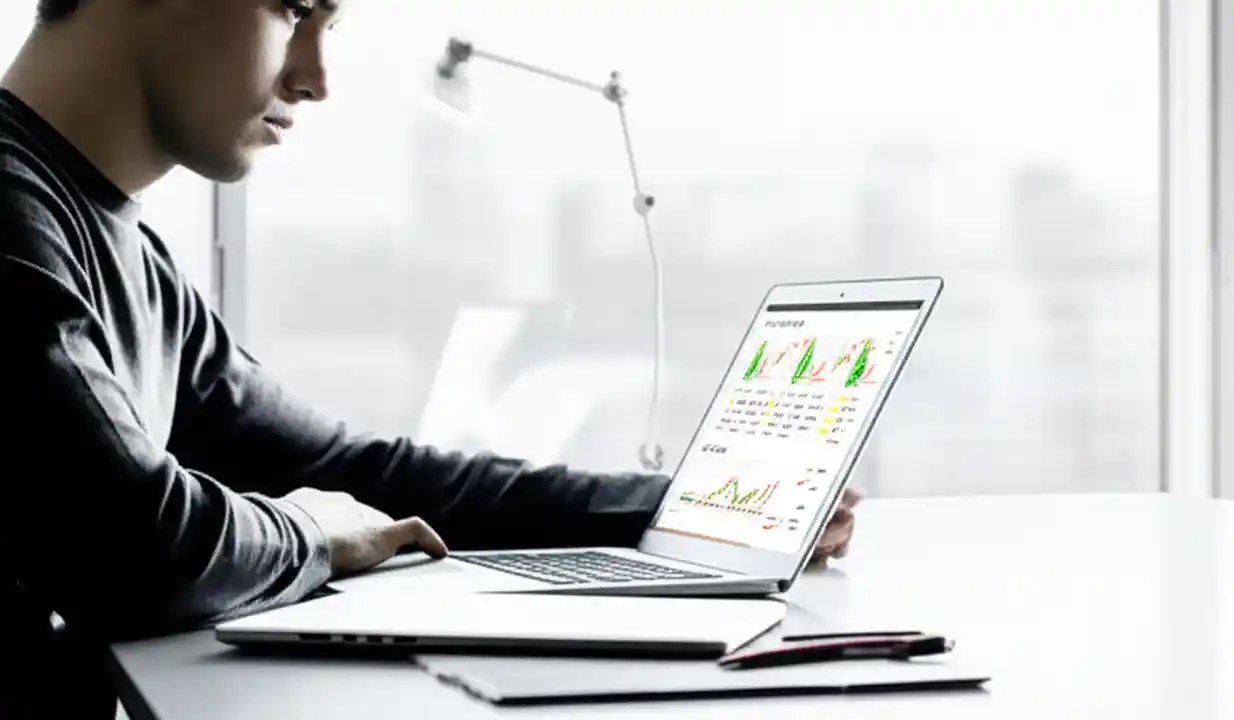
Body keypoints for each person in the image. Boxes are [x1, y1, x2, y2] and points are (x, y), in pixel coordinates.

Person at [0, 0, 860, 716]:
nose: (315, 77)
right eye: (294, 10)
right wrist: (315, 536)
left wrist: (690, 512)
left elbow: (351, 471)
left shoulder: (125, 254)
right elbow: (138, 545)